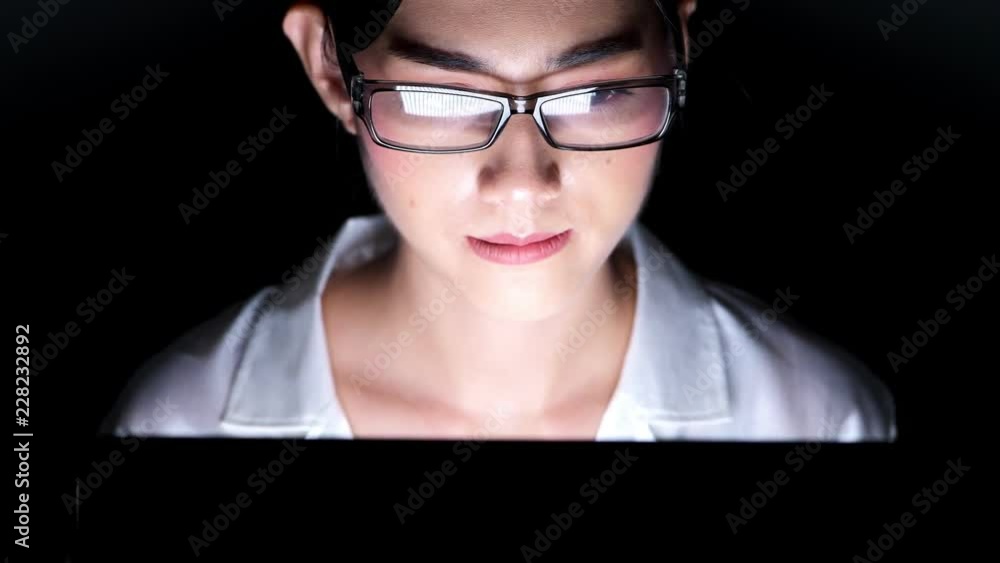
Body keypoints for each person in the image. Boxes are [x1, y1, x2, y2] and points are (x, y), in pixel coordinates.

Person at [100, 0, 895, 441]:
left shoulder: (825, 420)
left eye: (593, 93)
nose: (522, 186)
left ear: (680, 44)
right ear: (329, 69)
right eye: (444, 97)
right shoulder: (173, 421)